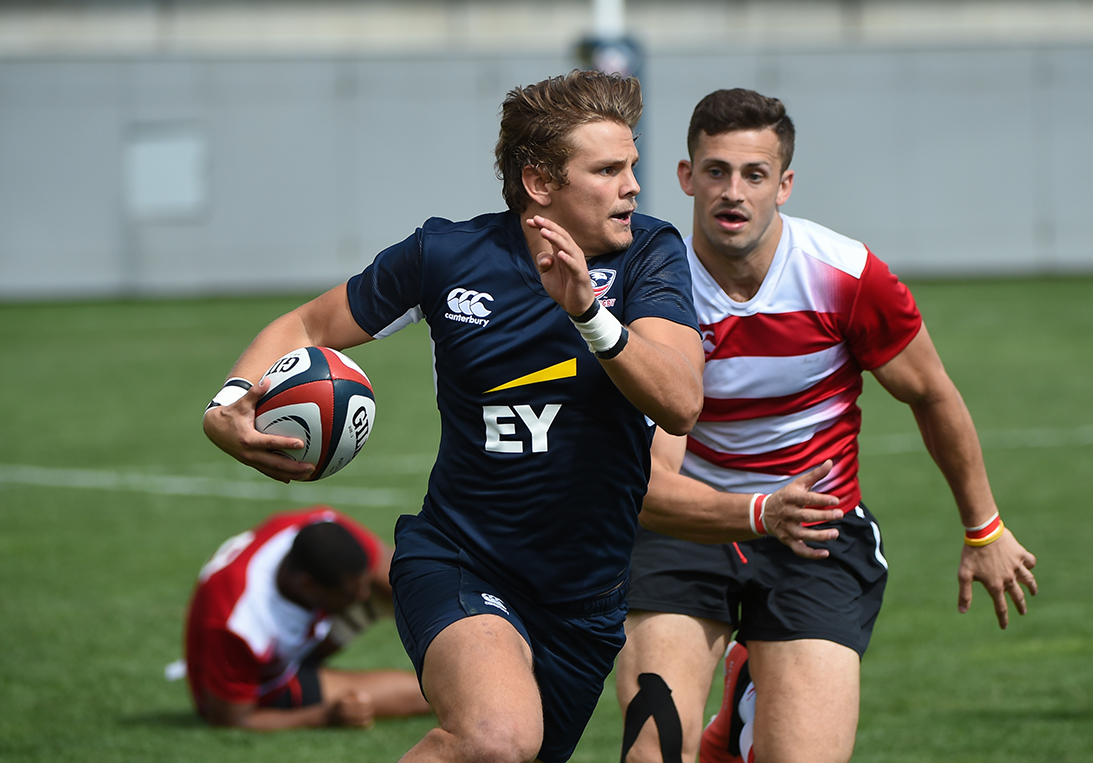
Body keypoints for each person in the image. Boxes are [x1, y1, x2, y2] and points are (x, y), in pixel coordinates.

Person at [202, 69, 704, 762]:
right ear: (539, 182)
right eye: (609, 169)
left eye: (632, 167)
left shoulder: (651, 252)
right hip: (463, 560)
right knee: (497, 738)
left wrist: (589, 314)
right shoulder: (448, 254)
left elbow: (680, 401)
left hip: (585, 596)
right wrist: (227, 404)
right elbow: (307, 325)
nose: (633, 187)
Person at [614, 89, 1039, 763]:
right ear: (686, 177)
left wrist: (984, 527)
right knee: (654, 752)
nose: (734, 192)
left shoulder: (843, 274)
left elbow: (931, 393)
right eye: (716, 171)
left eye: (754, 175)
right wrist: (751, 511)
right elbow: (651, 477)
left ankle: (745, 700)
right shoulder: (650, 286)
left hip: (814, 527)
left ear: (783, 184)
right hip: (686, 528)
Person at [182, 505, 430, 730]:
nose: (363, 595)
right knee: (429, 695)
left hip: (294, 634)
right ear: (308, 585)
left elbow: (406, 576)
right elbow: (230, 720)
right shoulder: (237, 622)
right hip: (266, 681)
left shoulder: (323, 525)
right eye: (353, 593)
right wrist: (322, 717)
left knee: (405, 585)